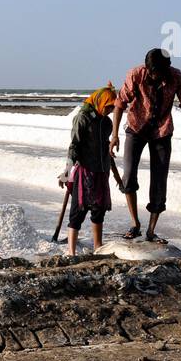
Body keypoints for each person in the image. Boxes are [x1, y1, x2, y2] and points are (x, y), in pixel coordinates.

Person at [109, 48, 181, 243]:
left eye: (157, 72)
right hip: (136, 127)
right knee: (129, 176)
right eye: (151, 72)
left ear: (166, 69)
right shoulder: (136, 74)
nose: (153, 76)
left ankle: (151, 230)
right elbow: (119, 104)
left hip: (162, 131)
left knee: (159, 182)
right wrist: (114, 135)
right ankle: (135, 224)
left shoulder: (177, 77)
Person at [59, 83, 120, 256]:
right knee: (78, 210)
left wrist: (115, 174)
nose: (110, 111)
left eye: (112, 108)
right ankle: (71, 252)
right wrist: (66, 171)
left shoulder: (107, 123)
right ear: (100, 102)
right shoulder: (82, 118)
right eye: (108, 107)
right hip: (85, 171)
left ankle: (97, 246)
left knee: (98, 210)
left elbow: (107, 148)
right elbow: (74, 145)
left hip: (101, 172)